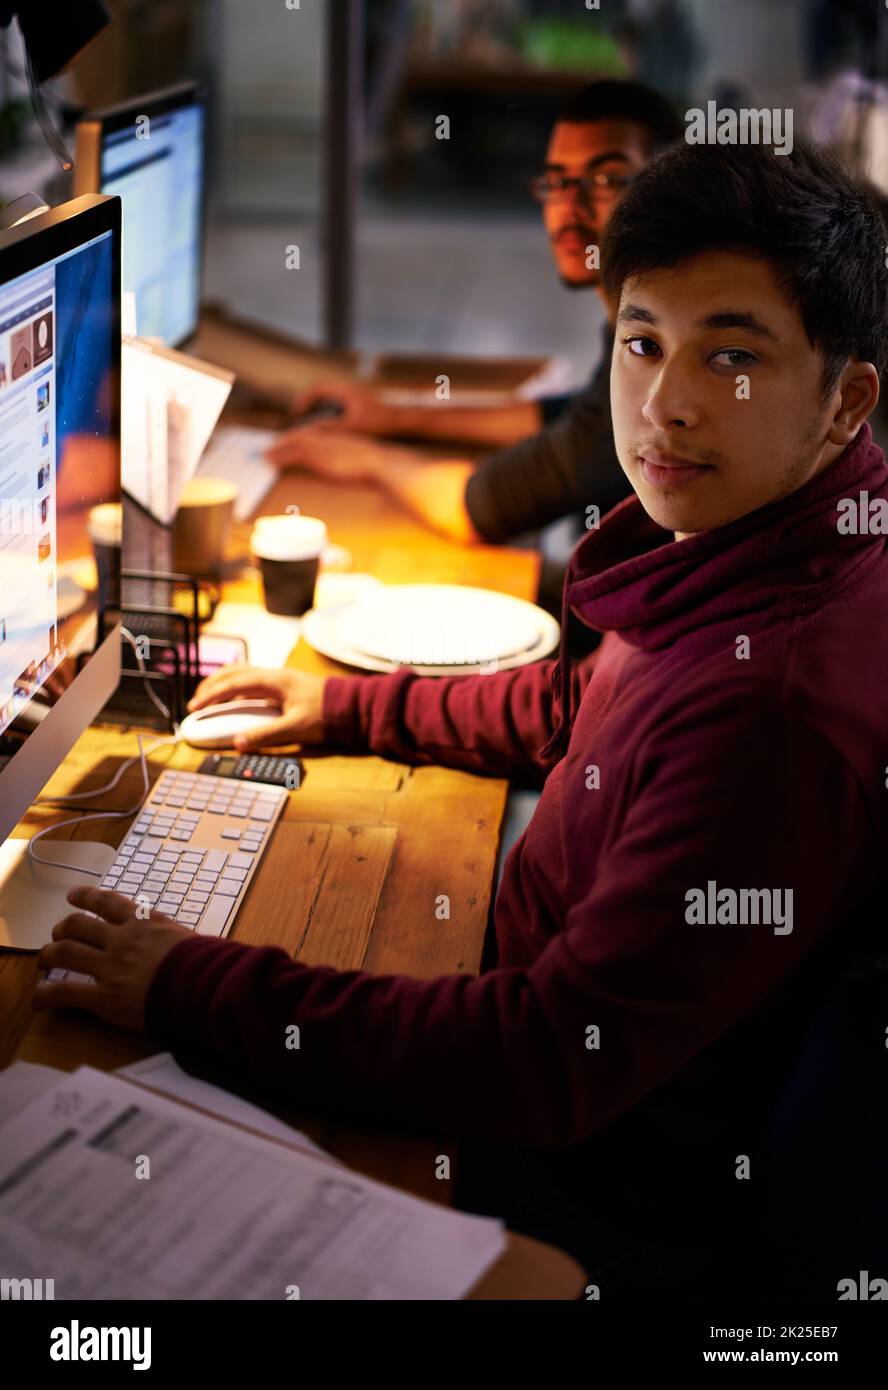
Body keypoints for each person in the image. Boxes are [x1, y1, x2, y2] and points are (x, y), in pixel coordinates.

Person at [35, 138, 888, 1294]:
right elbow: (577, 700)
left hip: (579, 1168)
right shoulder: (750, 543)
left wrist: (191, 981)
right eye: (643, 344)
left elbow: (544, 1059)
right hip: (527, 1016)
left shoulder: (770, 708)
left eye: (732, 357)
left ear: (846, 400)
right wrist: (339, 703)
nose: (669, 403)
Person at [265, 81, 682, 556]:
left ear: (666, 188)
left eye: (607, 179)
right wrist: (395, 416)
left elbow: (480, 508)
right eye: (556, 182)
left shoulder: (660, 348)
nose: (570, 206)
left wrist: (367, 460)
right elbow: (569, 416)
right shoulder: (635, 322)